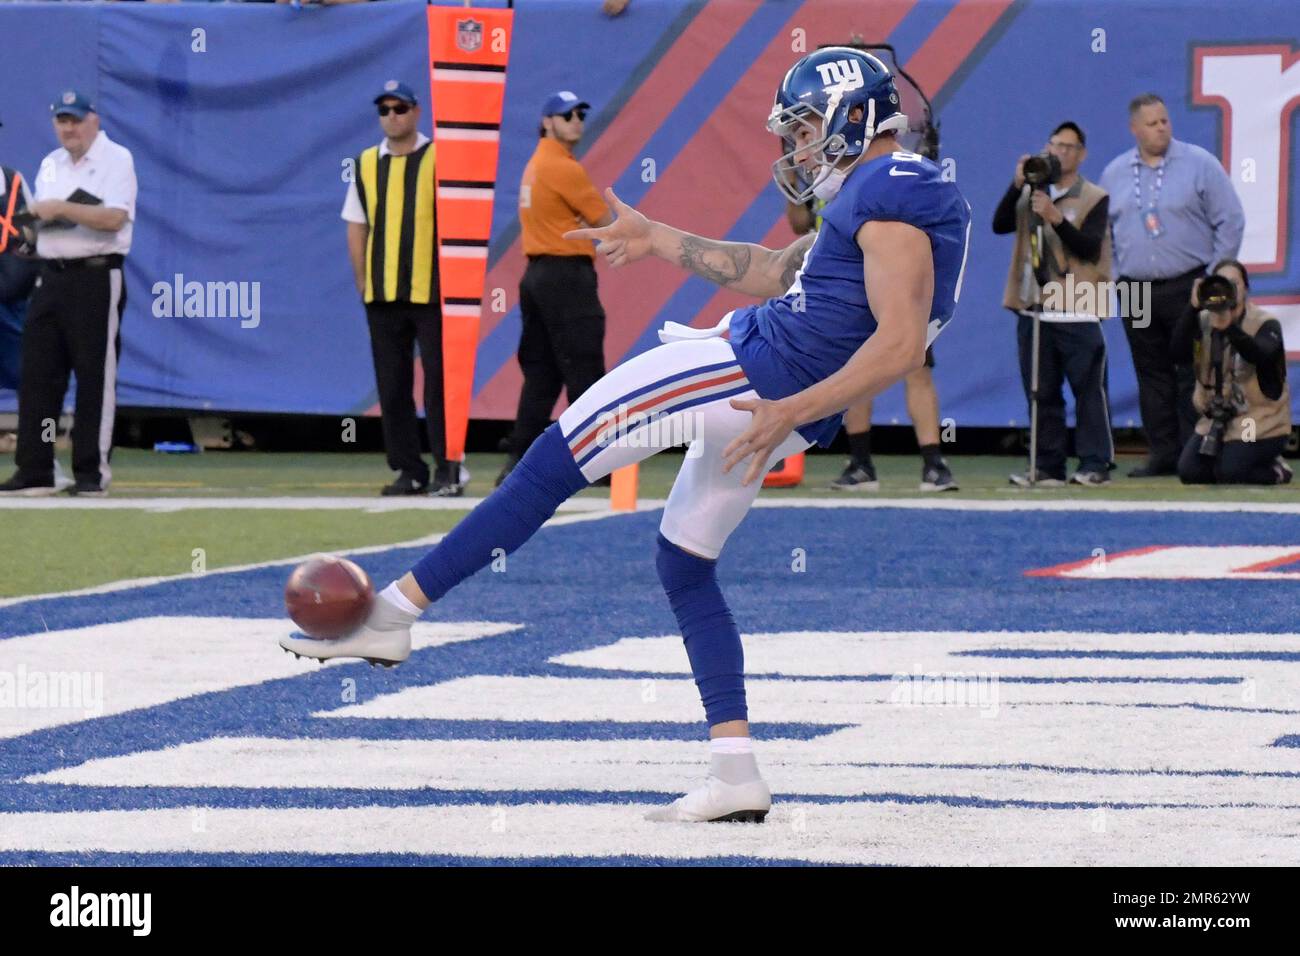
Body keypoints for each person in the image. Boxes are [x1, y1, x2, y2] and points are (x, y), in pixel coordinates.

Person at [282, 48, 971, 824]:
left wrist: (788, 405)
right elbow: (779, 270)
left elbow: (901, 342)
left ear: (854, 115)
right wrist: (658, 238)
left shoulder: (889, 189)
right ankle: (735, 771)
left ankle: (394, 615)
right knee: (684, 561)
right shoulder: (880, 192)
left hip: (754, 376)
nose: (797, 145)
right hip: (776, 397)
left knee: (554, 457)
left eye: (808, 125)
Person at [1099, 93, 1245, 477]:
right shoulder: (1114, 173)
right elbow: (1104, 234)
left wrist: (1213, 276)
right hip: (1134, 288)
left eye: (1165, 120)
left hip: (1187, 284)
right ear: (1134, 129)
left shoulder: (1198, 164)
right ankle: (1162, 453)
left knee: (1189, 369)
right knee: (1149, 372)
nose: (1162, 127)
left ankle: (1190, 451)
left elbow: (1230, 219)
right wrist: (1116, 278)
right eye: (1152, 123)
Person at [0, 92, 135, 498]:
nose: (69, 128)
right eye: (62, 120)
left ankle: (92, 471)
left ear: (93, 120)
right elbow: (44, 221)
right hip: (51, 274)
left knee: (94, 376)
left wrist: (63, 209)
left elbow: (113, 218)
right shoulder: (51, 164)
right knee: (40, 375)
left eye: (76, 120)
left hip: (95, 275)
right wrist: (32, 227)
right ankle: (36, 466)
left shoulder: (117, 159)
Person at [786, 197, 957, 492]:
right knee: (857, 373)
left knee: (916, 368)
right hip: (849, 287)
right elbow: (800, 224)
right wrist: (792, 190)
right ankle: (861, 463)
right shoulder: (825, 180)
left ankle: (933, 463)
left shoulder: (876, 178)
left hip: (894, 279)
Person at [342, 80, 463, 497]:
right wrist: (362, 280)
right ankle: (409, 470)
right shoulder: (364, 164)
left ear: (416, 112)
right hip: (383, 293)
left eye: (400, 108)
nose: (392, 116)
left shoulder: (441, 158)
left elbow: (462, 219)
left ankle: (449, 466)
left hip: (433, 292)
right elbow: (356, 225)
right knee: (392, 385)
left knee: (439, 383)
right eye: (385, 109)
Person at [498, 91, 612, 486]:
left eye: (580, 113)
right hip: (566, 276)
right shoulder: (563, 168)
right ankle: (596, 464)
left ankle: (517, 464)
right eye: (567, 115)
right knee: (586, 369)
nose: (577, 120)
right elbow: (603, 217)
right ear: (547, 121)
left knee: (543, 374)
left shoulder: (537, 164)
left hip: (537, 276)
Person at [992, 121, 1115, 486]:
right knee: (1041, 390)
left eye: (1070, 147)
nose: (1061, 152)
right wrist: (1017, 184)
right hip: (1034, 304)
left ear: (1082, 154)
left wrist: (1055, 218)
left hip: (1078, 302)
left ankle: (1095, 463)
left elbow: (1089, 249)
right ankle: (1047, 466)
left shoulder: (1093, 196)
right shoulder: (1032, 190)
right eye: (1056, 145)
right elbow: (999, 224)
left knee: (1088, 389)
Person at [1173, 259, 1291, 485]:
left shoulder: (1265, 323)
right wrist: (1192, 307)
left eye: (1234, 283)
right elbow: (1177, 353)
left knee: (1230, 472)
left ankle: (1276, 469)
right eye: (1221, 283)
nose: (1227, 290)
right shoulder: (1205, 321)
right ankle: (1238, 458)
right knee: (1190, 472)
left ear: (1246, 288)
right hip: (1216, 419)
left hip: (1258, 421)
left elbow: (1260, 356)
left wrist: (1230, 328)